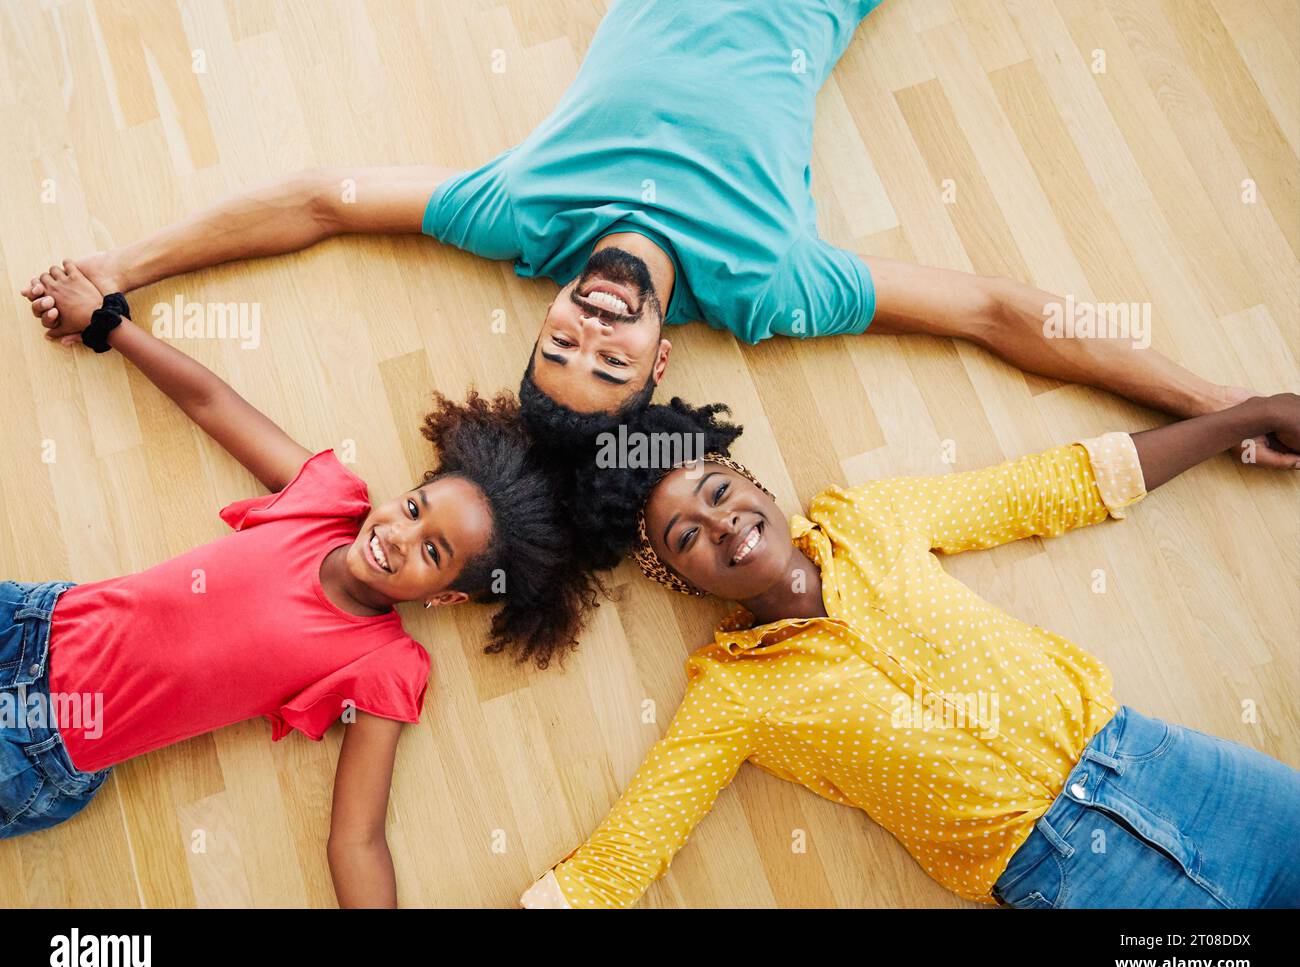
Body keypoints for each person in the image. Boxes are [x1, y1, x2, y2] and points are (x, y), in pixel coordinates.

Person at [21, 0, 1288, 464]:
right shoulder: (767, 286)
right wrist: (1224, 398)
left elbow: (319, 200)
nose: (592, 322)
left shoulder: (522, 219)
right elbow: (1005, 317)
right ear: (659, 361)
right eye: (610, 358)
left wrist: (121, 268)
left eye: (560, 340)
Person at [518, 391, 1300, 908]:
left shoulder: (874, 518)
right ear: (678, 577)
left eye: (719, 493)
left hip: (1162, 762)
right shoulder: (732, 695)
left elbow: (1056, 487)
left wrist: (1247, 415)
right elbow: (624, 854)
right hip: (1068, 874)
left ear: (752, 484)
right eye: (686, 536)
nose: (719, 524)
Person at [2, 262, 597, 908]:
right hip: (34, 618)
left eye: (432, 551)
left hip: (43, 745)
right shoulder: (326, 498)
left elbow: (356, 841)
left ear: (447, 596)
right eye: (416, 506)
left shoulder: (384, 664)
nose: (399, 533)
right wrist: (108, 323)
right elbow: (211, 402)